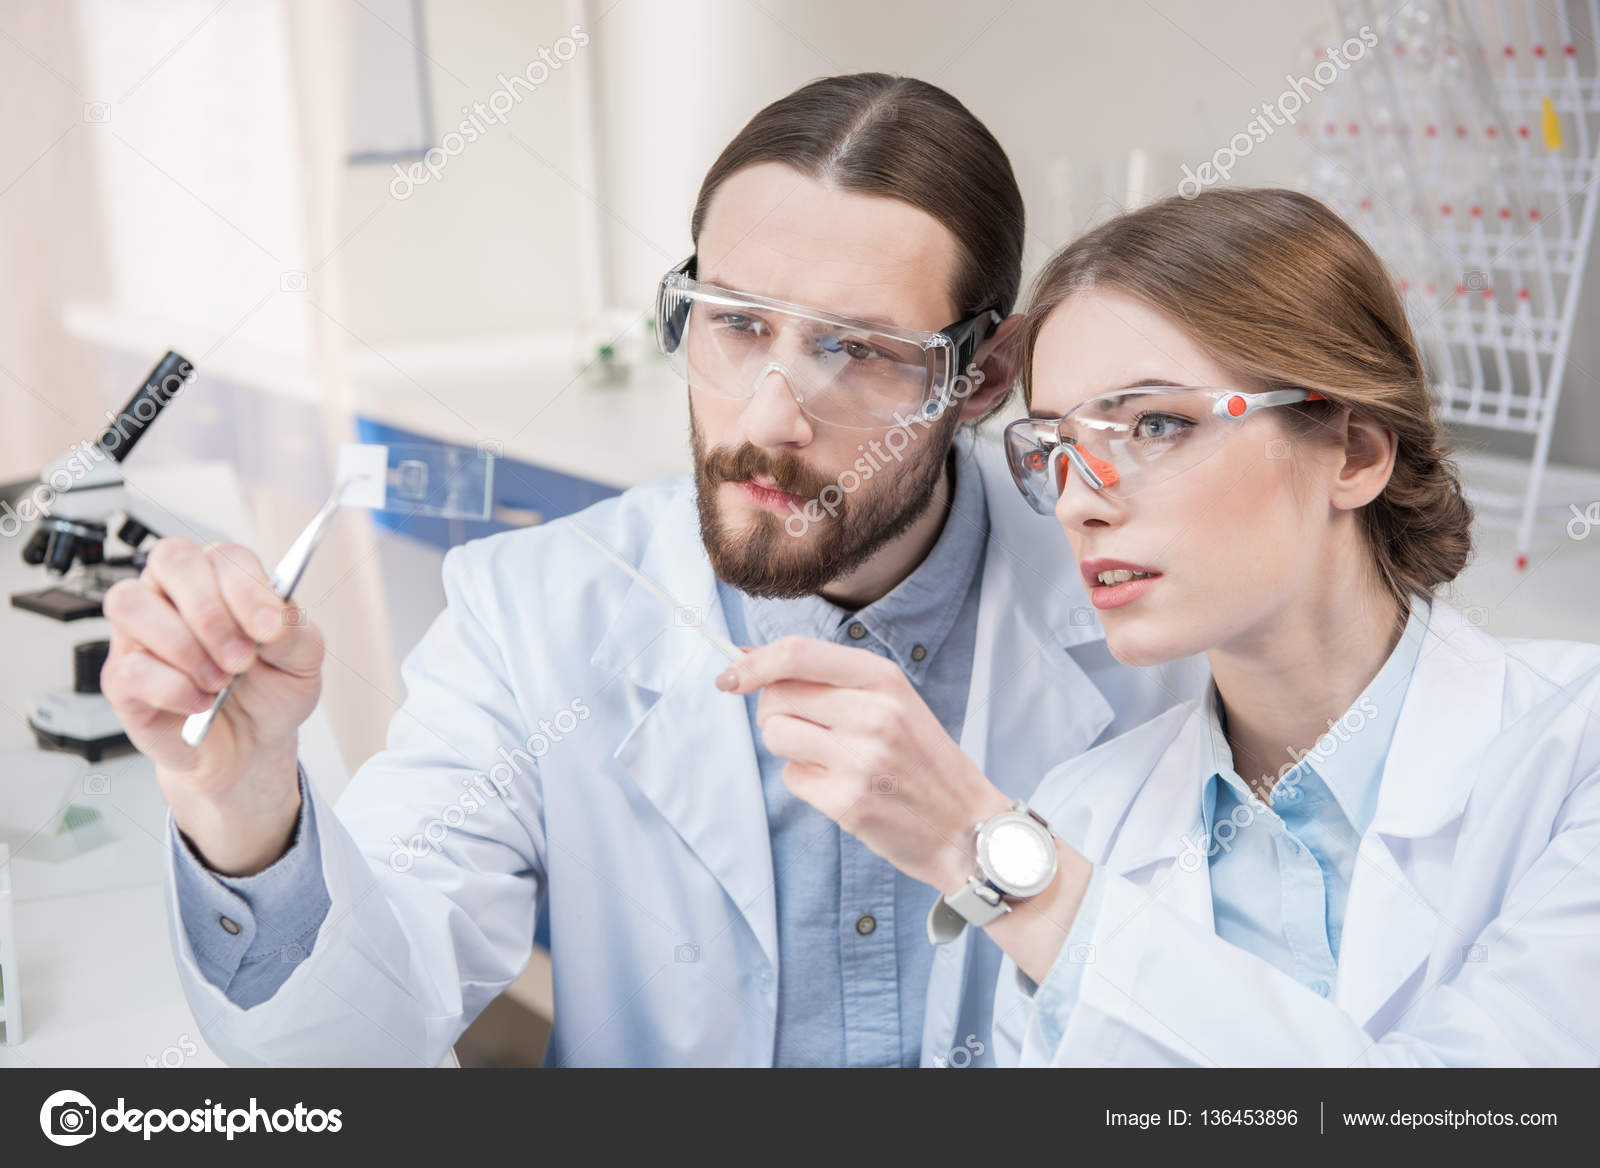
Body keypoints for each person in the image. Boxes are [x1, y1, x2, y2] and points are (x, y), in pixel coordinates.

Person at [99, 74, 1203, 1067]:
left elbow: (1240, 1051)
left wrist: (987, 849)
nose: (767, 417)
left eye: (854, 349)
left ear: (981, 376)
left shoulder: (1148, 611)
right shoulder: (531, 613)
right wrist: (243, 807)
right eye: (734, 324)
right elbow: (355, 1049)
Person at [716, 187, 1600, 1066]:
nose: (1078, 501)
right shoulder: (1085, 816)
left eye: (1155, 425)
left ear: (1354, 451)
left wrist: (993, 859)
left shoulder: (1574, 753)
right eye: (1056, 445)